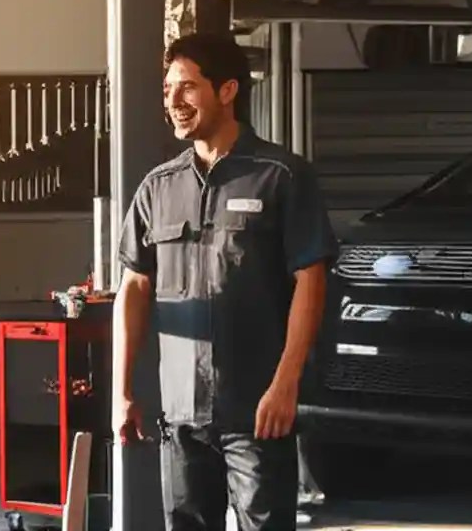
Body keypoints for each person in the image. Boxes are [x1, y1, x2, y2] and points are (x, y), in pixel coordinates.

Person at [112, 33, 336, 531]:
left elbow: (312, 280)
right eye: (168, 89)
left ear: (228, 90)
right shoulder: (157, 187)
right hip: (181, 417)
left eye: (187, 87)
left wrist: (286, 384)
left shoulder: (281, 176)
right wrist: (121, 392)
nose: (173, 100)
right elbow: (134, 288)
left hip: (257, 412)